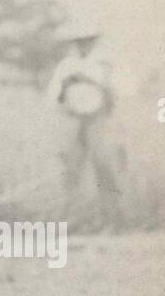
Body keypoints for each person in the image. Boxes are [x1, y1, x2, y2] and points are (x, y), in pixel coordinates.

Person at [46, 21, 120, 207]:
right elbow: (54, 98)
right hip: (73, 119)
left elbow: (113, 95)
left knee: (101, 161)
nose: (83, 45)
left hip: (97, 120)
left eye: (87, 41)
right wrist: (66, 87)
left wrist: (95, 85)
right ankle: (73, 212)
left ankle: (111, 211)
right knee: (71, 164)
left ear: (93, 42)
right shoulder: (66, 66)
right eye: (79, 41)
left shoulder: (104, 65)